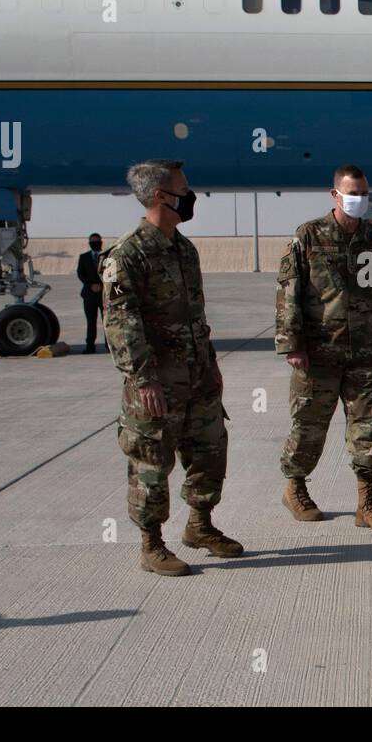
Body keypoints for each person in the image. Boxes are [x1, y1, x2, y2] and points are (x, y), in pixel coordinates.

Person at [101, 160, 241, 577]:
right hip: (157, 381)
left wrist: (211, 365)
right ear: (161, 196)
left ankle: (200, 526)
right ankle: (152, 544)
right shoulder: (127, 254)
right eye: (184, 188)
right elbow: (121, 323)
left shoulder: (183, 249)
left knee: (210, 450)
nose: (191, 195)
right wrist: (143, 379)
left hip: (197, 375)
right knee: (152, 460)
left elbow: (197, 317)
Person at [275, 164, 372, 531]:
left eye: (363, 193)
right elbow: (289, 291)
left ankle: (367, 503)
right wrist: (292, 344)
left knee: (367, 428)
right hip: (319, 352)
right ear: (335, 194)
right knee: (309, 426)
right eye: (352, 193)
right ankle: (295, 488)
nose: (359, 199)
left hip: (363, 350)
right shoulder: (309, 235)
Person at [78, 232, 105, 354]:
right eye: (93, 242)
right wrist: (91, 285)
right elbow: (81, 274)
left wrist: (102, 285)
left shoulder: (107, 256)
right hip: (89, 294)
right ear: (89, 243)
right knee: (91, 321)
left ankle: (109, 345)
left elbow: (112, 274)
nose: (95, 244)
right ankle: (90, 345)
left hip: (104, 295)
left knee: (107, 322)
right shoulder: (84, 257)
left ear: (101, 242)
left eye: (97, 241)